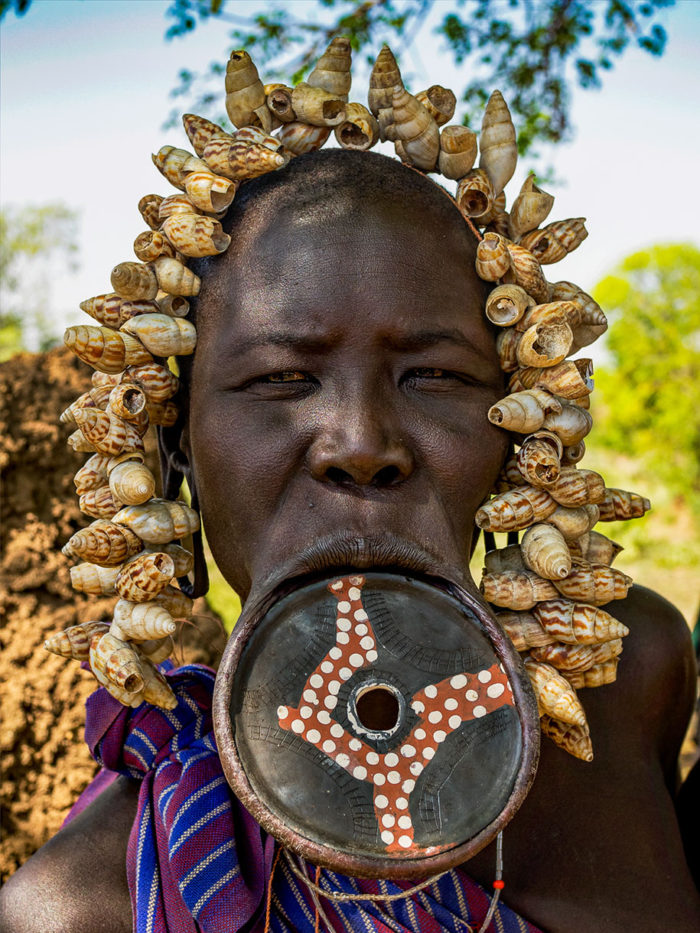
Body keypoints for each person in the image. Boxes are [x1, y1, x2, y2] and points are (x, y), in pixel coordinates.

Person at [2, 52, 699, 933]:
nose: (362, 443)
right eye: (281, 378)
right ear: (174, 448)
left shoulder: (636, 672)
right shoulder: (86, 907)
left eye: (436, 374)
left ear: (519, 435)